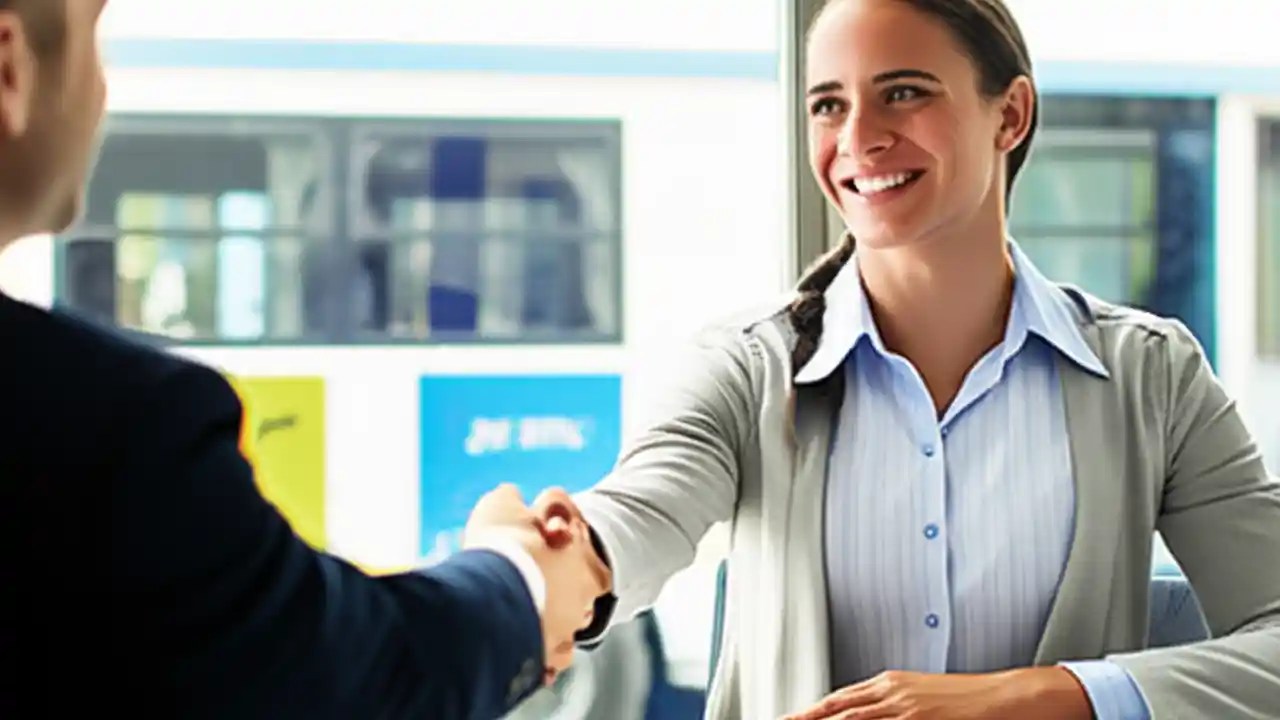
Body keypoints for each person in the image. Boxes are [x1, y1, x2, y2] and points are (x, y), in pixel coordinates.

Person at [560, 1, 1280, 718]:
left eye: (903, 93)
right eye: (828, 105)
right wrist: (534, 563)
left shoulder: (1152, 378)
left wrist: (1048, 696)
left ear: (1011, 115)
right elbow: (634, 518)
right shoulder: (746, 372)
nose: (857, 138)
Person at [0, 1, 609, 718]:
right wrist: (521, 577)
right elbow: (341, 680)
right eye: (93, 36)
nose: (103, 88)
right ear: (8, 67)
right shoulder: (105, 435)